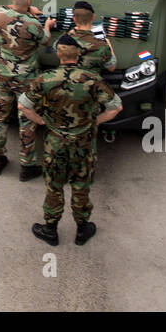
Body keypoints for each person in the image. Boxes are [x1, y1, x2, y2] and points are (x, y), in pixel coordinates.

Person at [19, 35, 122, 247]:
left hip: (55, 143)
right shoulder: (92, 80)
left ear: (59, 55)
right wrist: (94, 122)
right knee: (81, 185)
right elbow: (116, 108)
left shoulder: (45, 79)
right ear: (78, 55)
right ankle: (82, 229)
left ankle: (50, 229)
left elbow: (23, 106)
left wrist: (39, 120)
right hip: (83, 143)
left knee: (54, 187)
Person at [0, 0, 54, 180]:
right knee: (26, 119)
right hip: (25, 78)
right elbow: (46, 40)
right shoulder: (33, 24)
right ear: (28, 1)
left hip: (2, 73)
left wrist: (24, 9)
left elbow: (9, 9)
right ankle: (28, 165)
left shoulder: (0, 13)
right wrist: (46, 23)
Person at [65, 1, 119, 75]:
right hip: (90, 83)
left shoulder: (64, 40)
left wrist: (72, 31)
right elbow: (112, 67)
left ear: (74, 19)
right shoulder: (102, 45)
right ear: (93, 17)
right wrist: (109, 46)